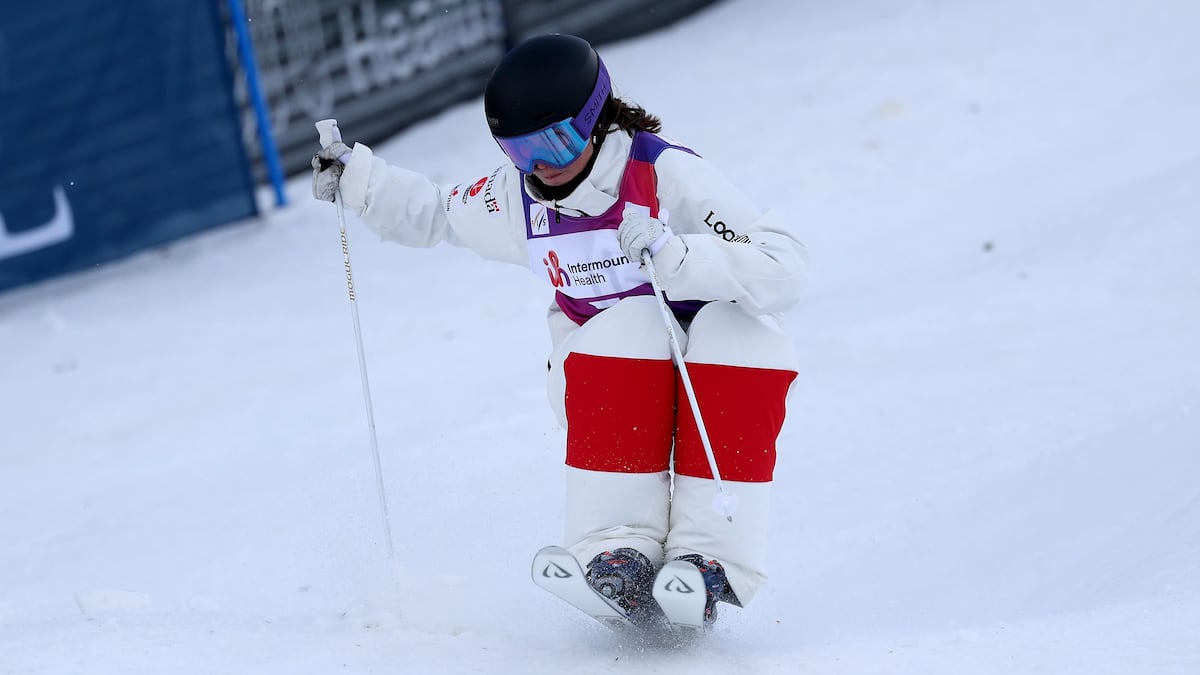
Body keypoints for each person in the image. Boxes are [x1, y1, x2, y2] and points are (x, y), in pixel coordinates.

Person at [312, 33, 805, 627]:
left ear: (595, 120)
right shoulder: (519, 199)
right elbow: (441, 213)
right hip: (610, 378)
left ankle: (712, 559)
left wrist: (682, 257)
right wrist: (361, 182)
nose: (540, 166)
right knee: (625, 326)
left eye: (554, 141)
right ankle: (616, 549)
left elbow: (783, 265)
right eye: (519, 151)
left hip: (711, 372)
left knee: (740, 332)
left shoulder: (662, 174)